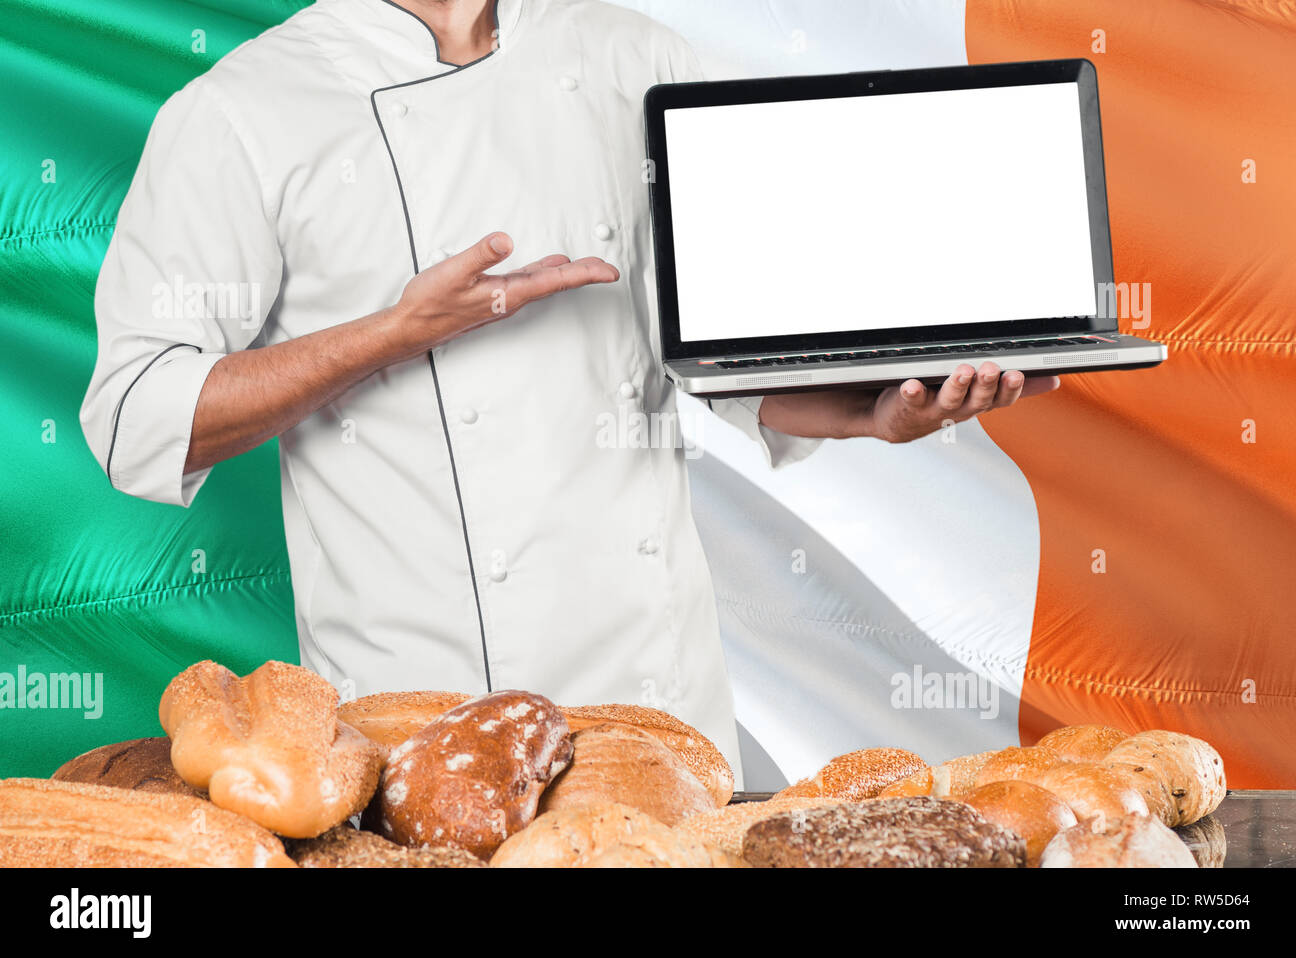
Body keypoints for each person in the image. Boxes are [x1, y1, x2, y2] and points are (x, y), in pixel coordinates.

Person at [80, 0, 1057, 776]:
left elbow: (717, 355)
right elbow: (136, 418)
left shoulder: (638, 59)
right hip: (419, 731)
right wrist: (393, 334)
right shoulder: (242, 111)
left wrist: (877, 413)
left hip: (660, 715)